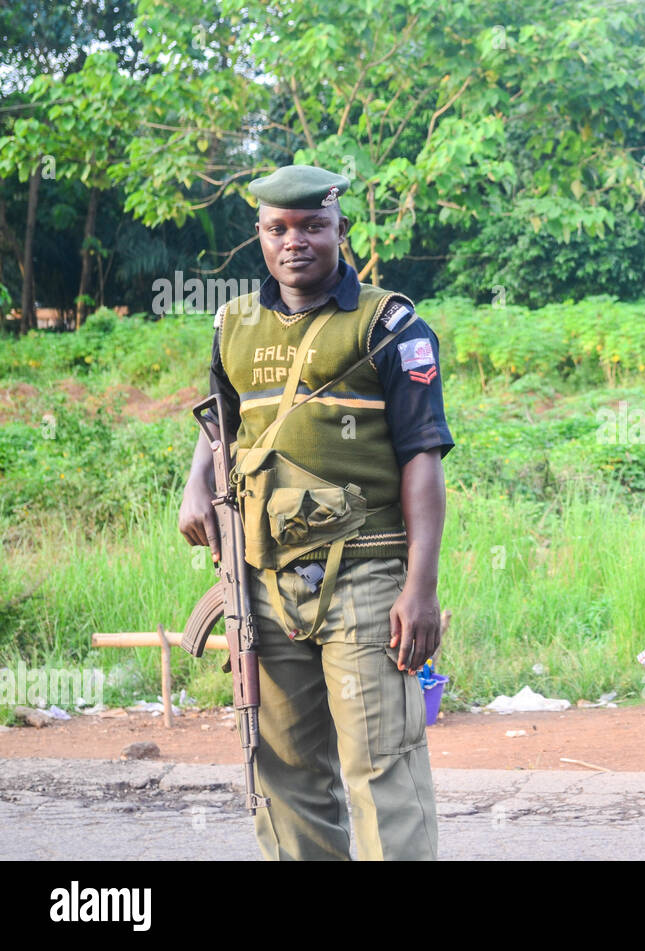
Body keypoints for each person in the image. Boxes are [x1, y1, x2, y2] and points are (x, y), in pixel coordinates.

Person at [178, 164, 453, 860]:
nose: (294, 241)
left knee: (382, 769)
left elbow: (423, 457)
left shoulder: (389, 323)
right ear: (260, 237)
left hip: (364, 577)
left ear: (340, 230)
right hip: (263, 580)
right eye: (278, 228)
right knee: (285, 775)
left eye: (311, 226)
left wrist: (419, 588)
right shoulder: (234, 323)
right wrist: (194, 486)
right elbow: (223, 427)